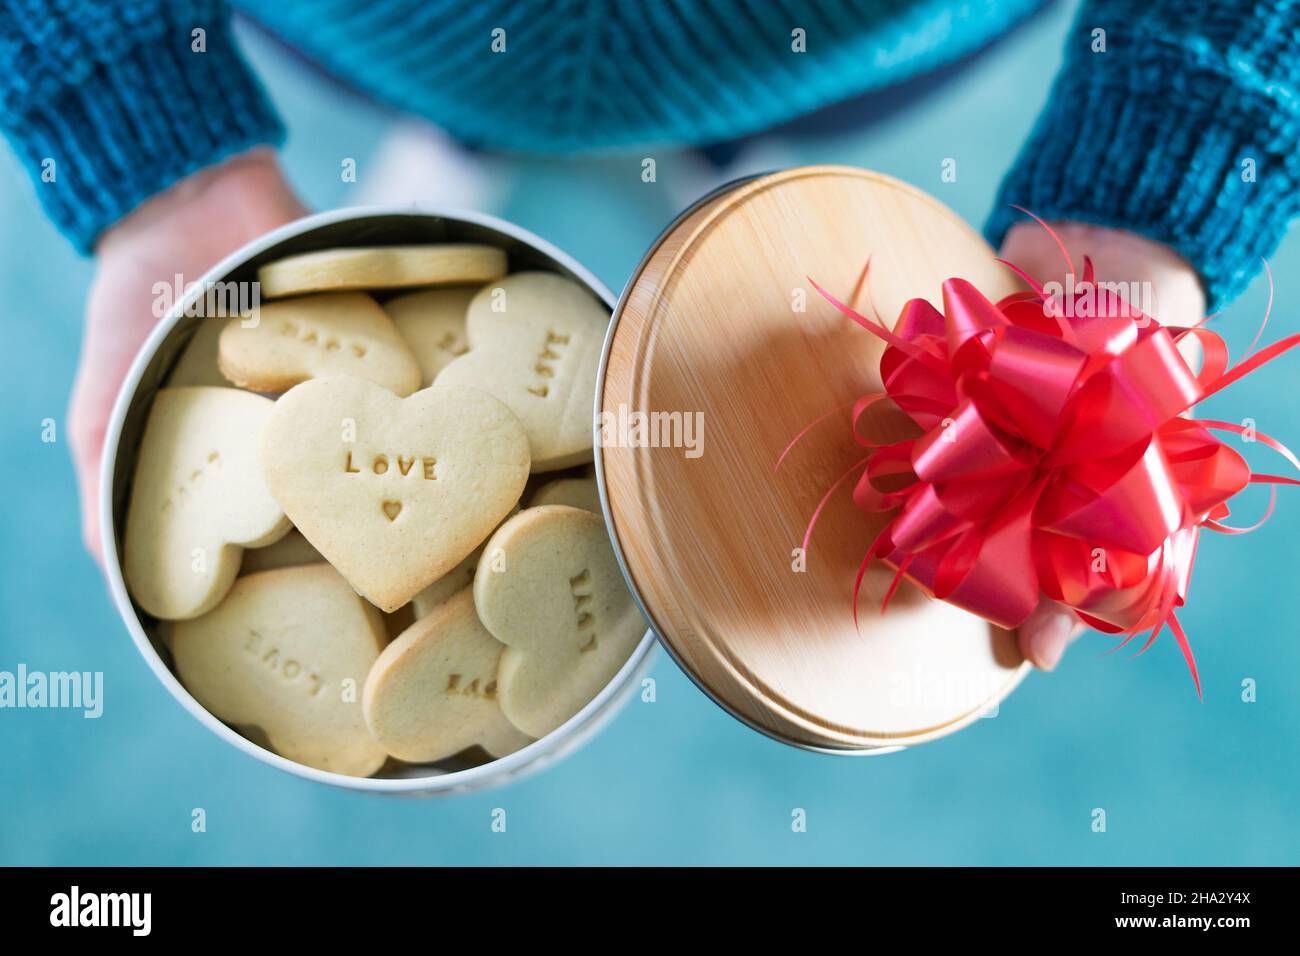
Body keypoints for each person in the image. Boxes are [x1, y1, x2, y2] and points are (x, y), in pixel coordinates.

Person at [1, 0, 1294, 672]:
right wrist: (142, 124)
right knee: (471, 88)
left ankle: (732, 151)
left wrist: (1148, 186)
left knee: (772, 113)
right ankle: (479, 127)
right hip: (367, 30)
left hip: (855, 44)